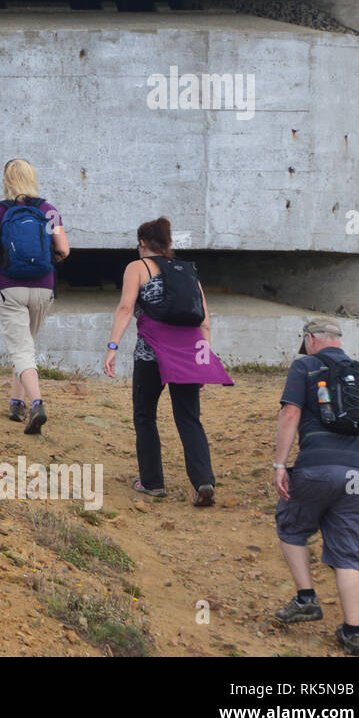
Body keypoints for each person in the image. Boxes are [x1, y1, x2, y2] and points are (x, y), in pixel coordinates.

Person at [272, 318, 359, 656]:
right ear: (338, 340)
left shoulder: (305, 366)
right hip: (358, 477)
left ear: (310, 340)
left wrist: (280, 464)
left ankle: (306, 598)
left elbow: (290, 414)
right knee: (348, 555)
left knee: (291, 526)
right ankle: (352, 633)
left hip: (315, 468)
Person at [102, 217, 231, 506]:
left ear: (143, 243)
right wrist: (202, 362)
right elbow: (205, 323)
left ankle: (152, 483)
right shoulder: (188, 273)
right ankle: (203, 481)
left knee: (145, 416)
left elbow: (125, 308)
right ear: (169, 244)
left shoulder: (137, 268)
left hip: (150, 355)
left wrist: (112, 347)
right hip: (186, 357)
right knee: (189, 418)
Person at [0, 159, 69, 434]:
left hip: (9, 286)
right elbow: (64, 249)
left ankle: (37, 403)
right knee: (25, 347)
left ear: (7, 180)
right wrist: (44, 263)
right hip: (43, 288)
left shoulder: (0, 210)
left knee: (21, 350)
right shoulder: (49, 210)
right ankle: (16, 403)